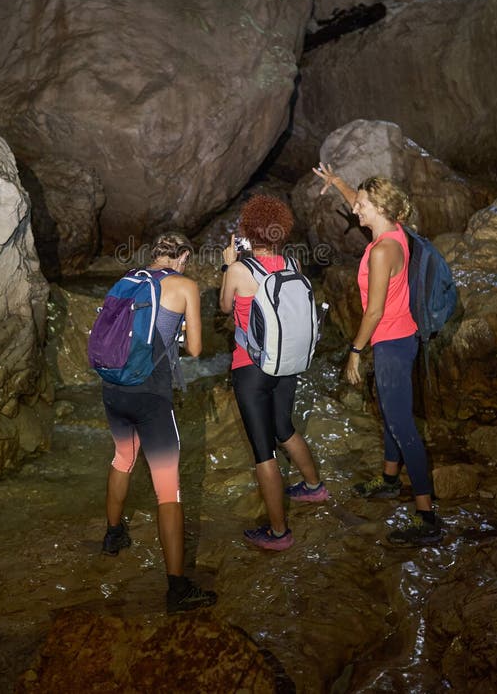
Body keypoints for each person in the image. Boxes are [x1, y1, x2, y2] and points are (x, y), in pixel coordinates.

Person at [313, 163, 443, 545]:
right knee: (390, 411)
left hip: (391, 342)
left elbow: (374, 311)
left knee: (403, 426)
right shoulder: (397, 231)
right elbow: (360, 202)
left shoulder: (382, 251)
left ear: (381, 209)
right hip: (403, 337)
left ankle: (426, 518)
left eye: (363, 205)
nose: (356, 210)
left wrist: (355, 350)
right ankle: (389, 480)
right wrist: (338, 183)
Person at [101, 232, 217, 613]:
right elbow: (197, 350)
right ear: (181, 256)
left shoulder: (126, 280)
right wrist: (179, 330)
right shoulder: (184, 285)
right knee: (169, 490)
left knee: (123, 458)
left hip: (115, 389)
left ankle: (113, 535)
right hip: (151, 395)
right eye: (186, 259)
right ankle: (177, 588)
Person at [219, 194, 329, 552]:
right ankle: (314, 488)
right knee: (284, 426)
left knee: (263, 450)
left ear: (249, 232)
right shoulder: (293, 263)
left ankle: (279, 533)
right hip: (287, 361)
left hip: (251, 367)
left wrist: (228, 266)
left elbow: (225, 307)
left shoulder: (239, 270)